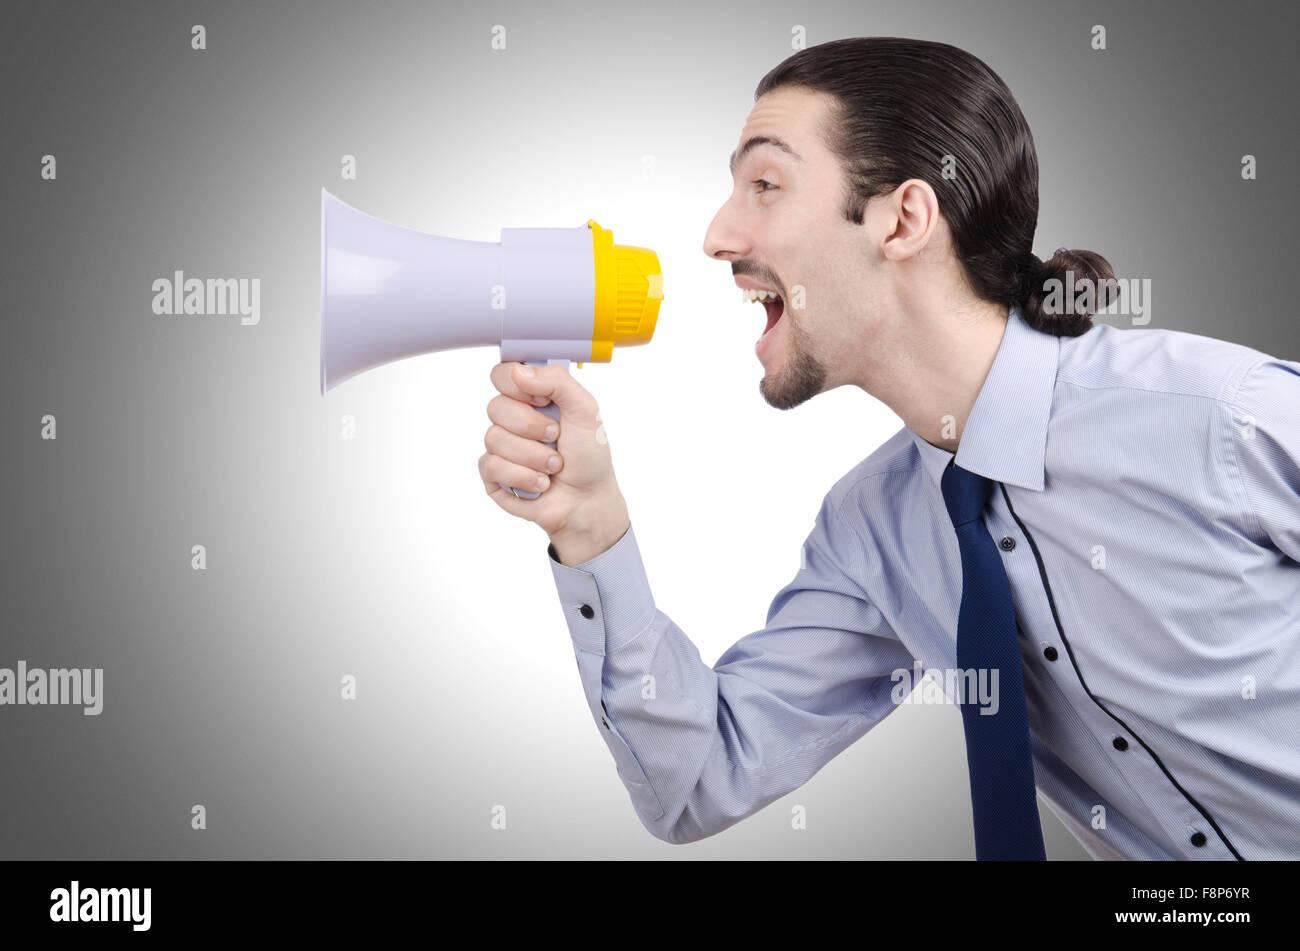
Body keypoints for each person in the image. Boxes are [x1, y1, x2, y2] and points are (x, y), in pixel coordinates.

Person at [477, 37, 1299, 859]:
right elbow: (701, 778)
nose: (717, 235)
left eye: (765, 184)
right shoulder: (876, 532)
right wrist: (592, 526)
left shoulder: (1223, 417)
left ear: (903, 219)